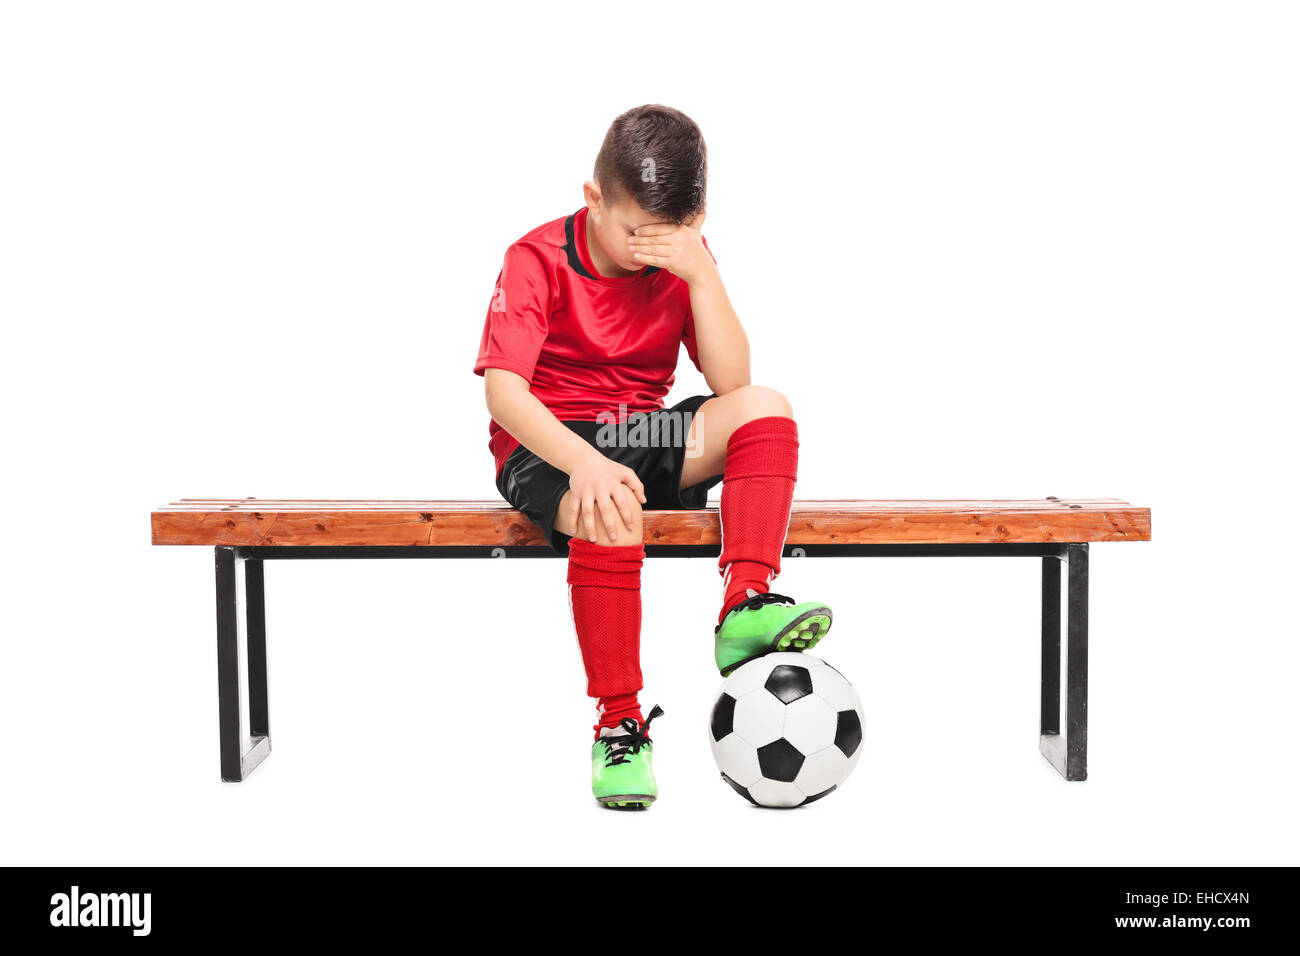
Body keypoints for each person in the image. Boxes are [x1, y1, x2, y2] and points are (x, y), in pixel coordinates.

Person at [473, 104, 831, 809]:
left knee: (767, 406)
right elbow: (503, 393)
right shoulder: (536, 257)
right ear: (593, 199)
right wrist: (582, 461)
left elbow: (730, 383)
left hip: (639, 435)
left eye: (670, 235)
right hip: (549, 442)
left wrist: (702, 276)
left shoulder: (683, 258)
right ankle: (619, 724)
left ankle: (745, 603)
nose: (648, 249)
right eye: (634, 231)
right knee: (608, 499)